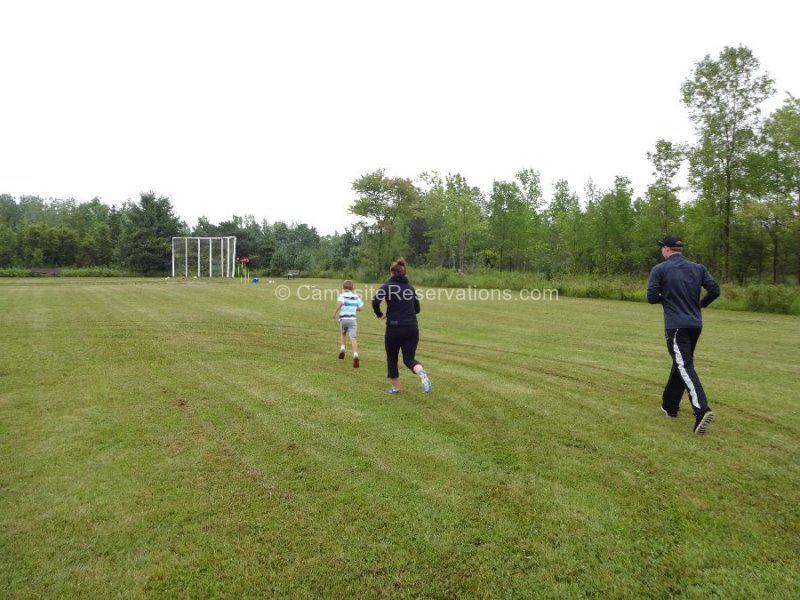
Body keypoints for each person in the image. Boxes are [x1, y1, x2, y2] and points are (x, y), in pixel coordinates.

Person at [647, 235, 720, 434]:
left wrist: (667, 297)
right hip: (695, 325)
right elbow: (714, 290)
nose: (661, 251)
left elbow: (652, 297)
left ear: (667, 249)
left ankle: (701, 410)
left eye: (662, 248)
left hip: (676, 326)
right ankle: (670, 406)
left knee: (684, 365)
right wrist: (700, 305)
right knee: (680, 363)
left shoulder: (659, 270)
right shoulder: (698, 268)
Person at [371, 257, 432, 394]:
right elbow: (417, 309)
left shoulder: (388, 286)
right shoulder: (410, 288)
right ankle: (421, 373)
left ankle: (395, 388)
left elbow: (375, 301)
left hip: (394, 328)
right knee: (409, 359)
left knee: (392, 358)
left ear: (392, 273)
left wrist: (379, 314)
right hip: (412, 328)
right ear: (404, 273)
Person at [333, 279, 364, 368]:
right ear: (353, 288)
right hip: (352, 320)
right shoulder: (356, 297)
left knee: (343, 334)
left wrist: (335, 312)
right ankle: (355, 355)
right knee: (353, 337)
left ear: (343, 288)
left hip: (343, 319)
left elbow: (340, 303)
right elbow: (361, 308)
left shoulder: (342, 295)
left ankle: (342, 348)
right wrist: (354, 308)